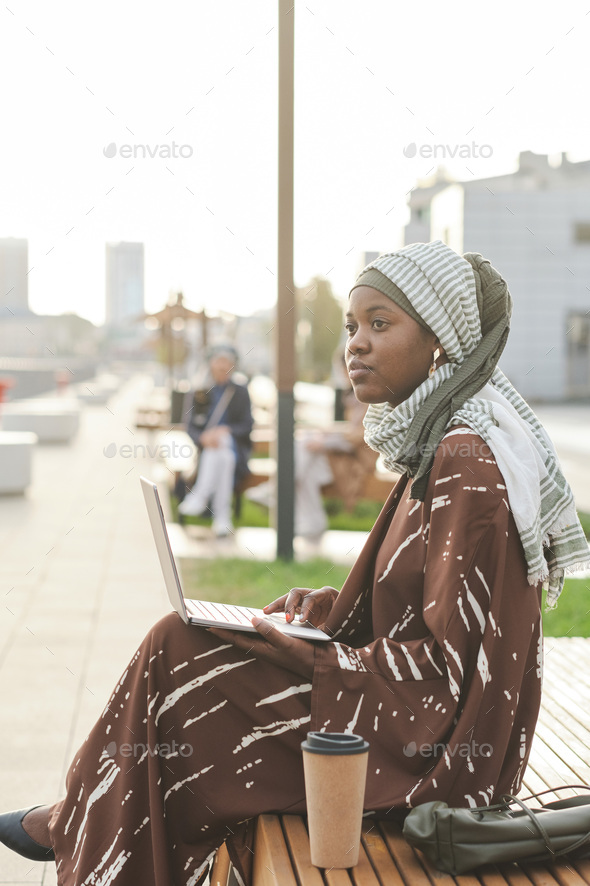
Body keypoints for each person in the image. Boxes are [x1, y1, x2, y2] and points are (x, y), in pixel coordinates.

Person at [2, 240, 589, 886]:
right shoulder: (440, 442)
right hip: (398, 717)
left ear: (443, 342)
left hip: (431, 753)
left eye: (380, 324)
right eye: (350, 326)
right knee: (189, 642)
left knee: (179, 645)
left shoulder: (466, 462)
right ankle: (88, 817)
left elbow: (448, 679)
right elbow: (409, 611)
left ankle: (84, 822)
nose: (355, 344)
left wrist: (316, 656)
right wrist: (323, 614)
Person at [178, 345, 253, 537]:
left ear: (233, 365)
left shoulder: (240, 392)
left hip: (236, 450)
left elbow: (246, 425)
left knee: (224, 444)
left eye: (226, 361)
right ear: (211, 363)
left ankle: (201, 494)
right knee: (223, 457)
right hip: (210, 452)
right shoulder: (199, 392)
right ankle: (222, 518)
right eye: (218, 361)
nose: (222, 366)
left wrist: (225, 430)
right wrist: (204, 438)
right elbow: (189, 426)